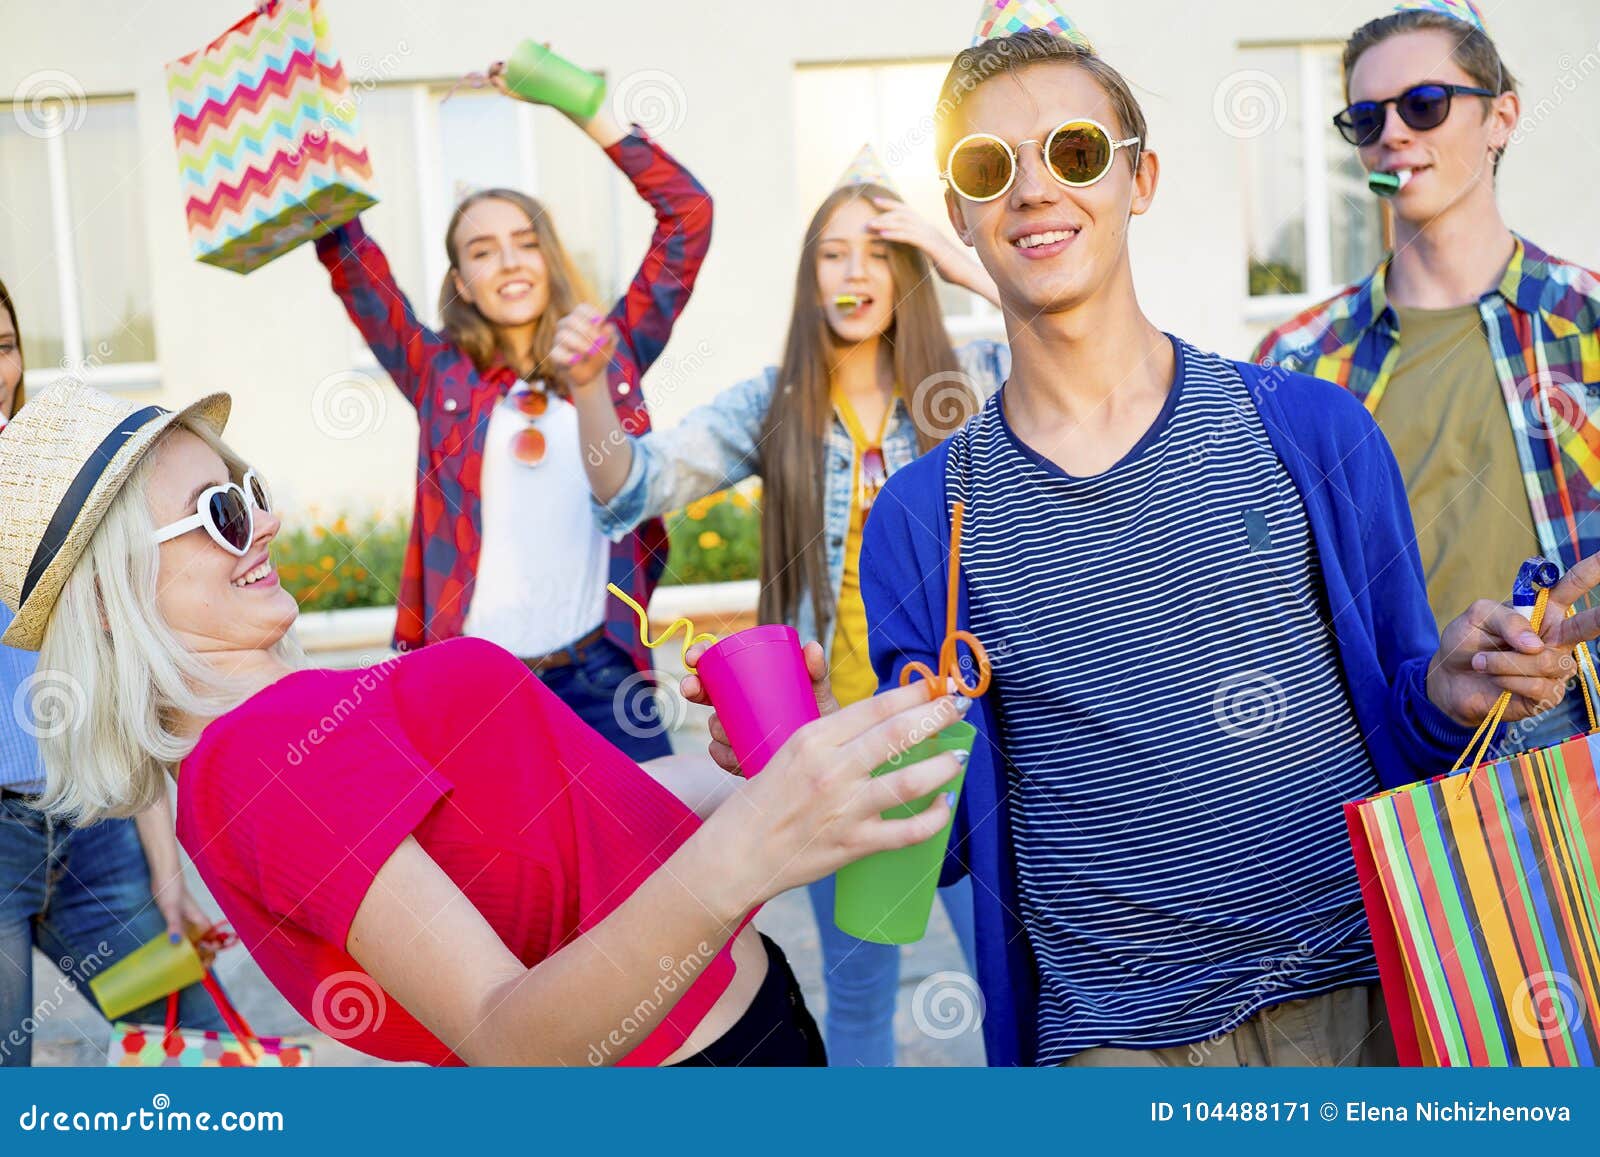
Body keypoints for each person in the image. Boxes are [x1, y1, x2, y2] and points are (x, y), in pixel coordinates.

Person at [858, 6, 1600, 1068]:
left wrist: (1448, 688)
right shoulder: (924, 518)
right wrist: (814, 764)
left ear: (1138, 180)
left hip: (1361, 1007)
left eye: (1072, 151)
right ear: (960, 213)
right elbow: (925, 852)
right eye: (989, 166)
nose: (1033, 188)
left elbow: (1401, 719)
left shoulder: (1309, 429)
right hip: (1111, 1050)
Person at [0, 381, 972, 1067]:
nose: (268, 522)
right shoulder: (263, 756)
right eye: (219, 510)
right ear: (107, 591)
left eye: (249, 490)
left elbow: (578, 817)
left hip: (737, 1036)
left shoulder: (285, 719)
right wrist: (752, 852)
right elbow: (513, 1043)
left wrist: (779, 769)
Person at [558, 150, 1003, 1065]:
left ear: (908, 270)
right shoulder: (775, 404)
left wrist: (969, 264)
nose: (854, 273)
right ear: (810, 279)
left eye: (879, 252)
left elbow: (1082, 356)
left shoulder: (972, 383)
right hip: (835, 754)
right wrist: (589, 382)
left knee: (1009, 985)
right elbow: (625, 488)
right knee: (859, 997)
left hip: (963, 743)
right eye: (834, 254)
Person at [312, 53, 712, 761]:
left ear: (550, 259)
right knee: (494, 875)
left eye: (527, 244)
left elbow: (687, 216)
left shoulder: (608, 357)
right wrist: (308, 99)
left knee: (656, 867)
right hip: (477, 692)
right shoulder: (436, 372)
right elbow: (351, 261)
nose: (511, 262)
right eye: (484, 251)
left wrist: (582, 109)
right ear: (461, 280)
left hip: (603, 677)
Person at [1254, 0, 1600, 755]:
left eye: (1424, 104)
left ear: (1501, 117)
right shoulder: (1296, 361)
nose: (1394, 136)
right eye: (1366, 119)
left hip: (1580, 730)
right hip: (1399, 748)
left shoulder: (1590, 319)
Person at [0, 281, 221, 1067]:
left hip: (93, 820)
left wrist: (165, 867)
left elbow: (121, 677)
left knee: (196, 1049)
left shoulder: (55, 488)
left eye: (2, 347)